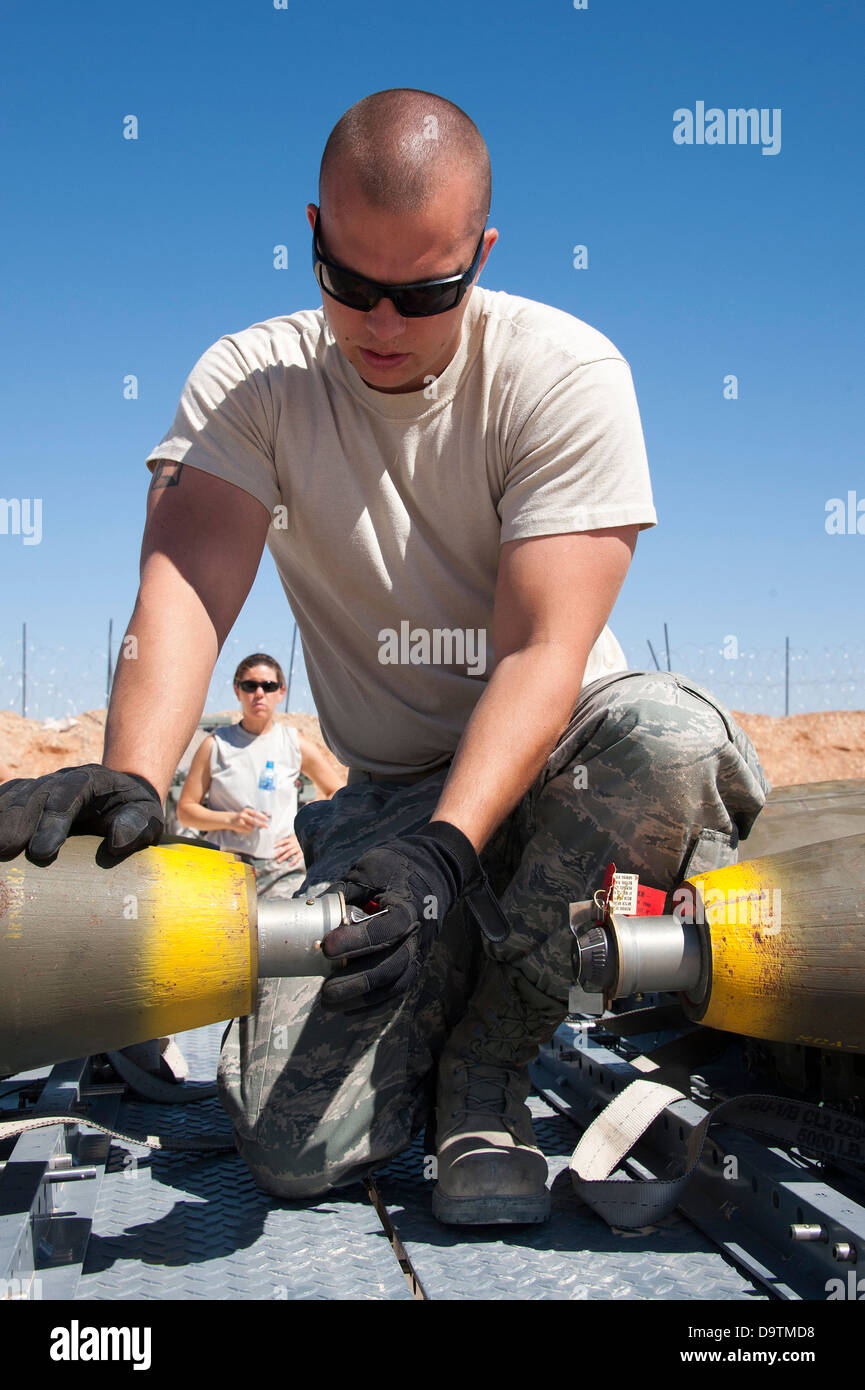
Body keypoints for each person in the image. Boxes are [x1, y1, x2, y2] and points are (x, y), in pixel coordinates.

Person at [0, 88, 769, 1227]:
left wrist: (451, 855)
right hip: (389, 799)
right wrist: (135, 774)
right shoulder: (249, 386)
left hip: (560, 765)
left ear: (481, 254)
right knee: (294, 1149)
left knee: (670, 734)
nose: (382, 322)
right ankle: (453, 960)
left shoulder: (562, 372)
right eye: (350, 282)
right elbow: (183, 594)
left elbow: (539, 649)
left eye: (425, 291)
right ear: (311, 232)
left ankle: (489, 1065)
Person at [176, 652, 343, 897]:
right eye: (250, 685)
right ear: (237, 690)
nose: (259, 693)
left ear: (281, 692)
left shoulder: (294, 743)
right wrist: (231, 820)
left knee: (289, 933)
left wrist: (308, 835)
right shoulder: (216, 745)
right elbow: (186, 810)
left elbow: (337, 791)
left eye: (268, 686)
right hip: (227, 868)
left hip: (283, 871)